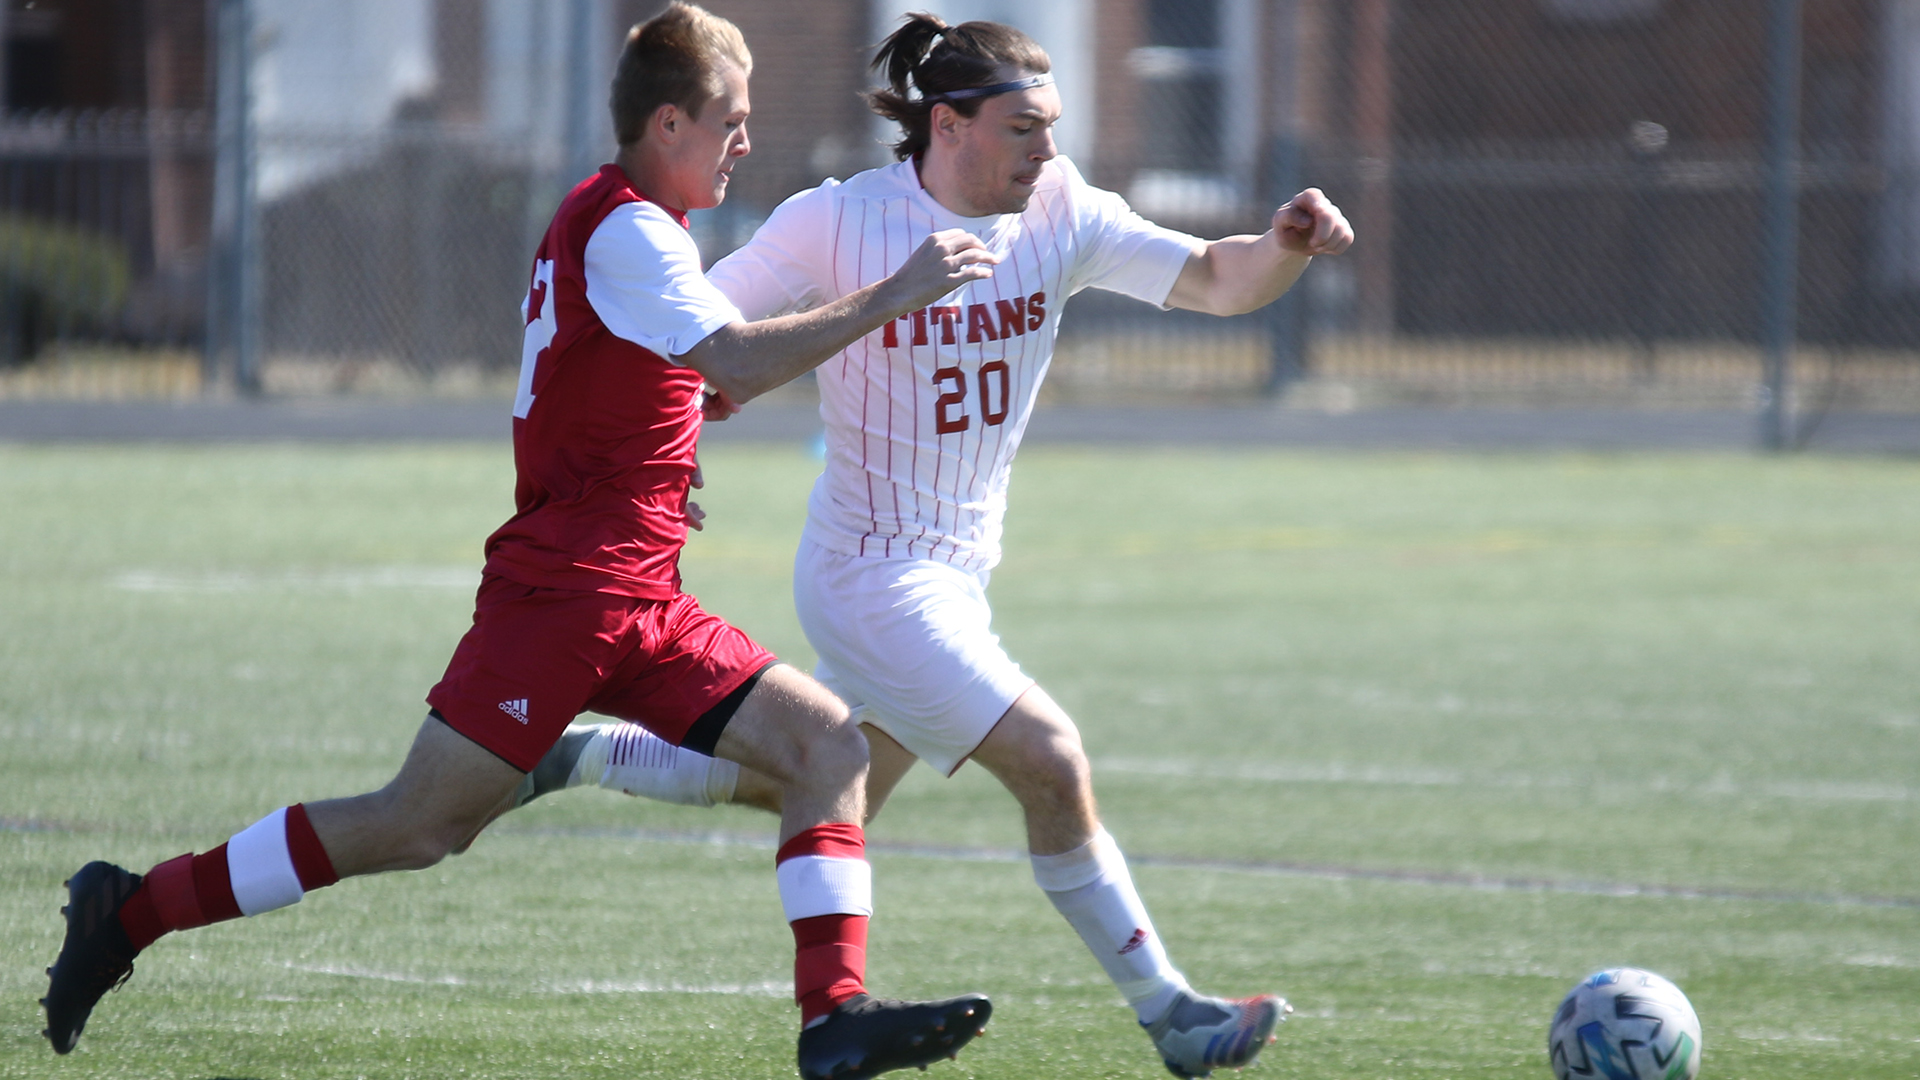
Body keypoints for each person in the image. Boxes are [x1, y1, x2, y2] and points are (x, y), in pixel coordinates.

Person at [39, 7, 1002, 1079]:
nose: (744, 139)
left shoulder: (630, 224)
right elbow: (728, 359)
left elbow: (636, 384)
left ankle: (834, 1019)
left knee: (829, 748)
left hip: (635, 594)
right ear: (669, 121)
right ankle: (130, 912)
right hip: (566, 599)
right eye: (730, 118)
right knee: (416, 827)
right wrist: (895, 292)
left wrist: (667, 468)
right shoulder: (629, 226)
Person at [512, 12, 1353, 1079]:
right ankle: (1171, 1013)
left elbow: (1221, 282)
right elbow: (696, 342)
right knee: (1050, 761)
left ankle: (583, 752)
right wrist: (665, 457)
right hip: (868, 574)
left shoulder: (1061, 210)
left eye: (1051, 126)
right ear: (947, 125)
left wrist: (1283, 246)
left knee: (812, 779)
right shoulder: (839, 223)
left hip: (955, 577)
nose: (1045, 149)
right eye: (1022, 128)